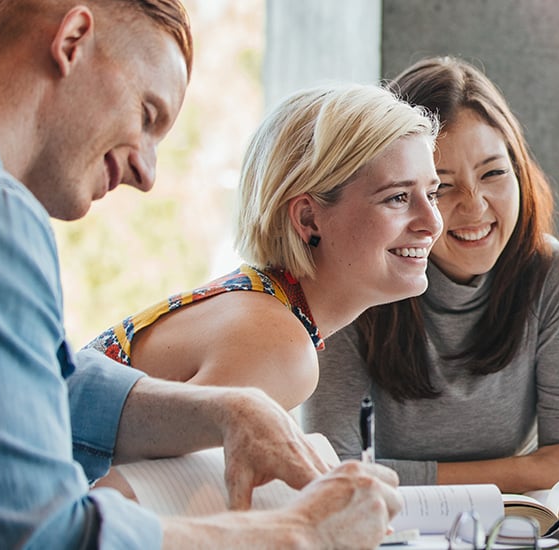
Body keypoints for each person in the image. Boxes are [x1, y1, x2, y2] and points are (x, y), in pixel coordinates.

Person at [0, 1, 404, 547]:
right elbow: (39, 535)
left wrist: (227, 409)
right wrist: (300, 532)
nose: (147, 173)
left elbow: (25, 387)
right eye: (147, 116)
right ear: (73, 40)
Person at [303, 56, 559, 494]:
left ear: (521, 171)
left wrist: (541, 473)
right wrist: (522, 471)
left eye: (493, 173)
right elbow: (334, 474)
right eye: (441, 187)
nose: (474, 206)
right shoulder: (353, 280)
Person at [85, 82, 443, 411]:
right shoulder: (278, 347)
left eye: (432, 194)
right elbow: (127, 481)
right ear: (307, 219)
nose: (432, 222)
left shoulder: (263, 306)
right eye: (397, 197)